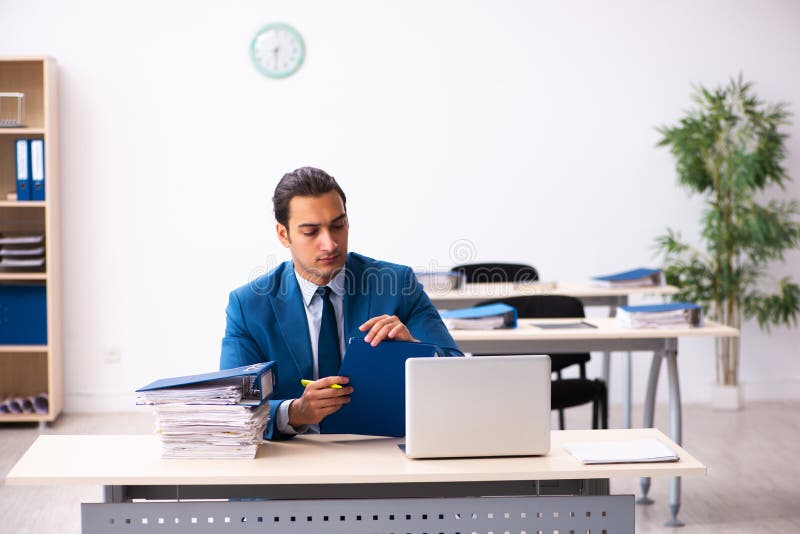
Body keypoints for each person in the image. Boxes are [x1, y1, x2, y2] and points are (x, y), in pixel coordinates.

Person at [220, 167, 462, 440]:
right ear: (283, 235)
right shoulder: (248, 305)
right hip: (294, 459)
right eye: (311, 232)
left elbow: (458, 374)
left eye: (338, 225)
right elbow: (235, 406)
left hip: (385, 449)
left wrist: (418, 353)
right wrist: (295, 412)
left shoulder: (397, 284)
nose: (330, 244)